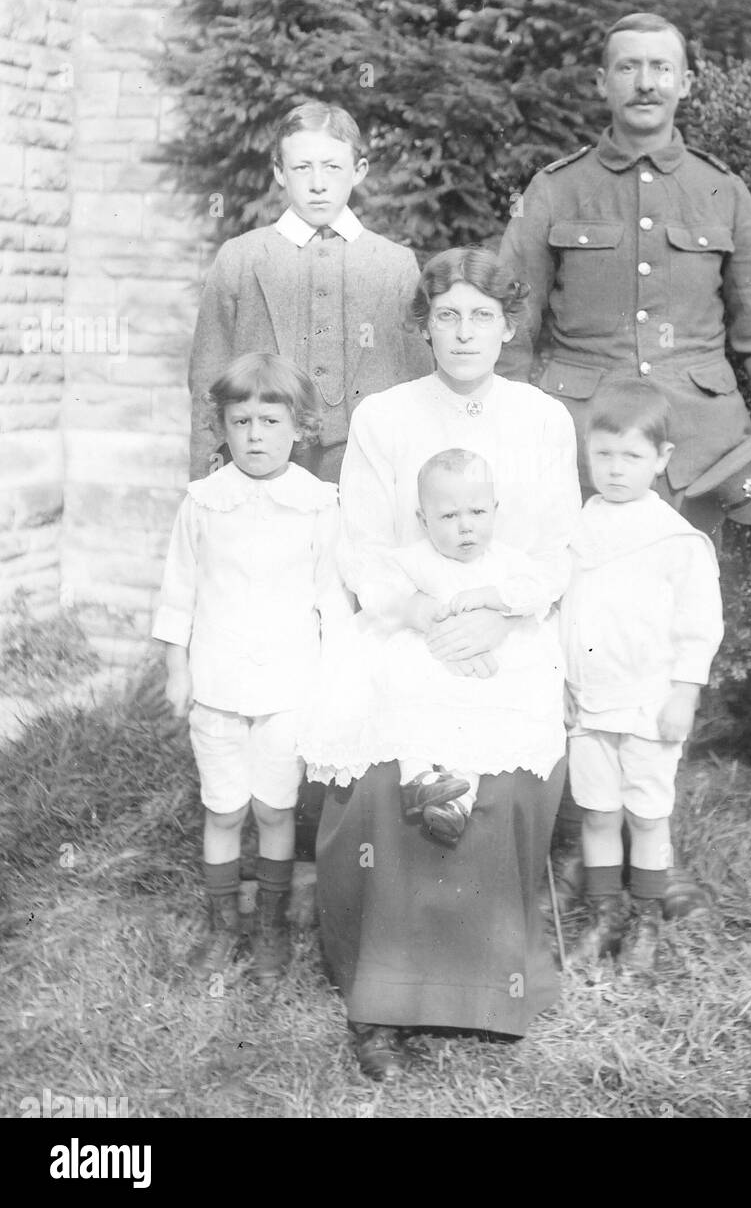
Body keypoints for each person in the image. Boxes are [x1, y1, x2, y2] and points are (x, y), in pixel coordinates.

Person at [315, 248, 581, 1082]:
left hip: (508, 617)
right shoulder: (384, 417)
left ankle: (489, 985)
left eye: (482, 316)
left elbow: (556, 546)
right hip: (406, 614)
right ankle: (385, 996)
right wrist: (428, 618)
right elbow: (359, 547)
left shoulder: (542, 418)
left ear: (509, 326)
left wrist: (499, 617)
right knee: (393, 718)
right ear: (422, 327)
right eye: (447, 316)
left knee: (511, 716)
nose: (465, 333)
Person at [496, 11, 751, 525]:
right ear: (602, 83)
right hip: (580, 449)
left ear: (686, 84)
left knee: (687, 598)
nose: (646, 83)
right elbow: (511, 319)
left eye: (661, 68)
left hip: (700, 454)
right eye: (628, 68)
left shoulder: (723, 191)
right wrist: (505, 430)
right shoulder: (555, 189)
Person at [153, 354, 350, 987]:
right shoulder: (205, 504)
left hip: (288, 689)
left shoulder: (319, 505)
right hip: (216, 686)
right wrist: (176, 669)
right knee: (223, 809)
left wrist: (335, 683)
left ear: (300, 427)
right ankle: (222, 927)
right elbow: (178, 593)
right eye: (242, 421)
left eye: (271, 420)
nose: (256, 435)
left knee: (274, 810)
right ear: (224, 425)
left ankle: (270, 926)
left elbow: (332, 601)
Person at [301, 446, 567, 845]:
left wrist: (498, 600)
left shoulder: (506, 564)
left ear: (495, 509)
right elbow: (377, 589)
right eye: (448, 516)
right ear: (423, 520)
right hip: (426, 658)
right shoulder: (415, 559)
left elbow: (537, 591)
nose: (465, 527)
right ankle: (418, 777)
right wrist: (412, 609)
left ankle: (457, 800)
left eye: (477, 513)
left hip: (486, 664)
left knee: (483, 720)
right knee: (402, 697)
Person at [561, 378, 723, 975]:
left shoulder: (675, 540)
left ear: (661, 461)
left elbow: (698, 626)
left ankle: (647, 918)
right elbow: (565, 610)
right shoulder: (578, 528)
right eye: (603, 454)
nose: (615, 469)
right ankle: (604, 916)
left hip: (650, 703)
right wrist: (563, 681)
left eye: (632, 456)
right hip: (590, 702)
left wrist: (684, 692)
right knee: (599, 814)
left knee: (647, 816)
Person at [188, 100, 431, 483]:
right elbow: (207, 382)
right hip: (262, 466)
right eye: (302, 167)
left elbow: (420, 383)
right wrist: (206, 483)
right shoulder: (241, 258)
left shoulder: (394, 263)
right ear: (280, 172)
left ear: (359, 171)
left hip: (363, 465)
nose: (318, 183)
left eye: (333, 167)